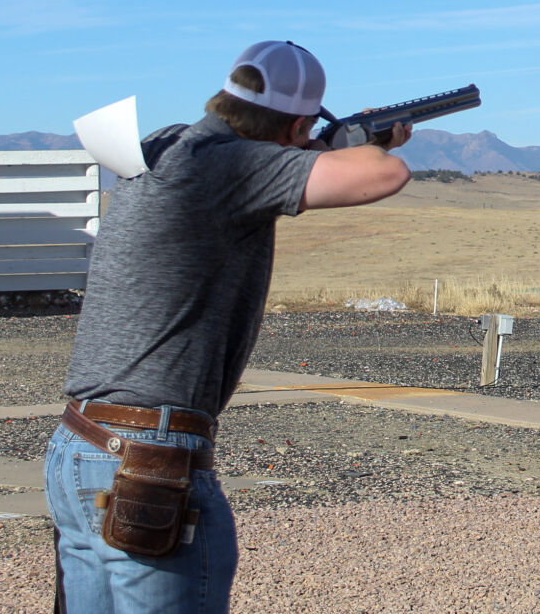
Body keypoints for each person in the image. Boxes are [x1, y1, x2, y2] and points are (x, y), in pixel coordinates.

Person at [45, 41, 413, 612]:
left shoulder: (172, 147)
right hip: (150, 459)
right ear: (296, 126)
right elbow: (386, 173)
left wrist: (318, 145)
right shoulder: (223, 166)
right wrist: (362, 144)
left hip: (82, 441)